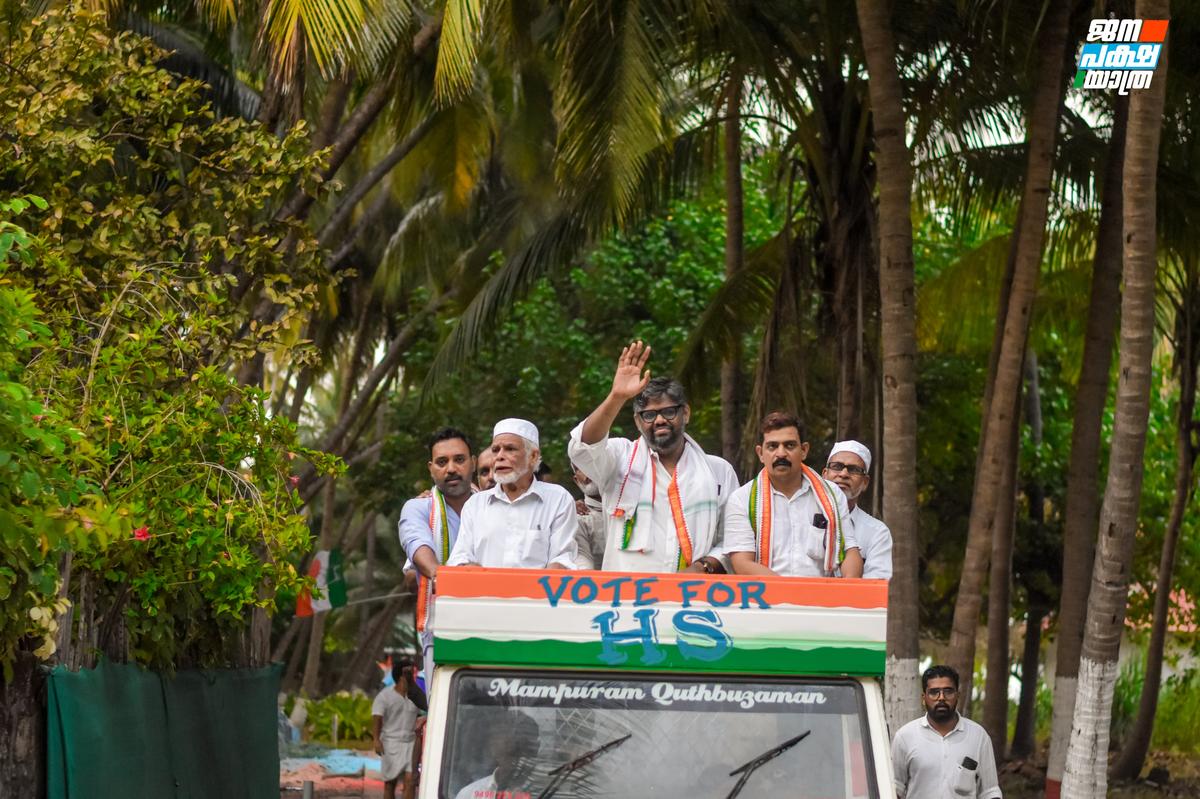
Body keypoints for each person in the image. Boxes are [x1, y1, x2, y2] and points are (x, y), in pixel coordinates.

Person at [568, 342, 737, 573]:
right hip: (626, 598)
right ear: (638, 421)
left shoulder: (718, 471)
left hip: (693, 599)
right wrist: (616, 397)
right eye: (649, 415)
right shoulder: (620, 458)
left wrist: (703, 566)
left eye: (668, 412)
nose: (659, 421)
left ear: (685, 413)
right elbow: (582, 448)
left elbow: (732, 538)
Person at [725, 412, 864, 577]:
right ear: (760, 453)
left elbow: (849, 551)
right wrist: (792, 595)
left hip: (822, 597)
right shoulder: (742, 499)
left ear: (804, 450)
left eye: (789, 445)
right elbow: (742, 563)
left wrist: (848, 590)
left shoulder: (832, 494)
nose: (781, 453)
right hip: (766, 598)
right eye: (772, 446)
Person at [397, 427, 475, 686]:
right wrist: (440, 575)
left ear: (472, 462)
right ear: (431, 469)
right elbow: (417, 543)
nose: (451, 468)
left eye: (459, 459)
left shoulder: (492, 506)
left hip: (492, 628)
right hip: (441, 630)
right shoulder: (419, 508)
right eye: (442, 462)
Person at [447, 418, 578, 569]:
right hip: (483, 592)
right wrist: (469, 568)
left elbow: (562, 560)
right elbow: (460, 558)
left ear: (533, 456)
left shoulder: (558, 499)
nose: (499, 457)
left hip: (538, 592)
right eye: (495, 450)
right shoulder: (475, 504)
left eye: (510, 449)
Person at [892, 665, 1003, 799]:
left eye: (948, 691)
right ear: (924, 697)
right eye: (934, 692)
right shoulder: (905, 737)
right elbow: (895, 788)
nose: (941, 698)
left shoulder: (978, 736)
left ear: (957, 695)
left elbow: (990, 791)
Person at [823, 440, 893, 579]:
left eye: (854, 469)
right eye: (837, 466)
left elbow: (874, 588)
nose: (843, 474)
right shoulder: (801, 514)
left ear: (865, 482)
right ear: (824, 474)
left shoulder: (877, 533)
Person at [454, 712, 541, 799]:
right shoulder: (469, 795)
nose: (512, 746)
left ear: (535, 749)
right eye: (508, 754)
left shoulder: (543, 792)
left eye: (518, 750)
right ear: (492, 747)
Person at [372, 659, 424, 799]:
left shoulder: (416, 695)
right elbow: (377, 718)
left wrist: (423, 719)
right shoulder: (385, 696)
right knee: (390, 783)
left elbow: (429, 709)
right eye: (410, 673)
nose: (414, 676)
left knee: (411, 781)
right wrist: (376, 740)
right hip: (390, 743)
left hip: (411, 742)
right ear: (401, 676)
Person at [572, 462, 606, 570]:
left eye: (591, 465)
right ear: (576, 480)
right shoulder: (576, 517)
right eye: (580, 468)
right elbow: (582, 561)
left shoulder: (634, 510)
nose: (587, 476)